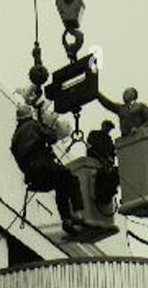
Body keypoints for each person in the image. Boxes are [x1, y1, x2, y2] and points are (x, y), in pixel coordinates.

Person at [10, 100, 85, 233]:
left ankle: (66, 220)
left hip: (33, 176)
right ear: (29, 115)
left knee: (60, 184)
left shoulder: (15, 137)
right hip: (43, 166)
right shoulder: (32, 125)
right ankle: (77, 214)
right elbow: (51, 137)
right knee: (71, 179)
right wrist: (46, 126)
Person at [86, 119, 119, 211]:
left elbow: (112, 153)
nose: (108, 129)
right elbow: (91, 147)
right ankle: (100, 194)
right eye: (108, 127)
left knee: (114, 174)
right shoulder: (94, 134)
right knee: (100, 176)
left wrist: (110, 159)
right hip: (95, 160)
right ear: (103, 126)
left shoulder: (109, 140)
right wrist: (103, 156)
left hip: (106, 164)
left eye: (110, 128)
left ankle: (109, 193)